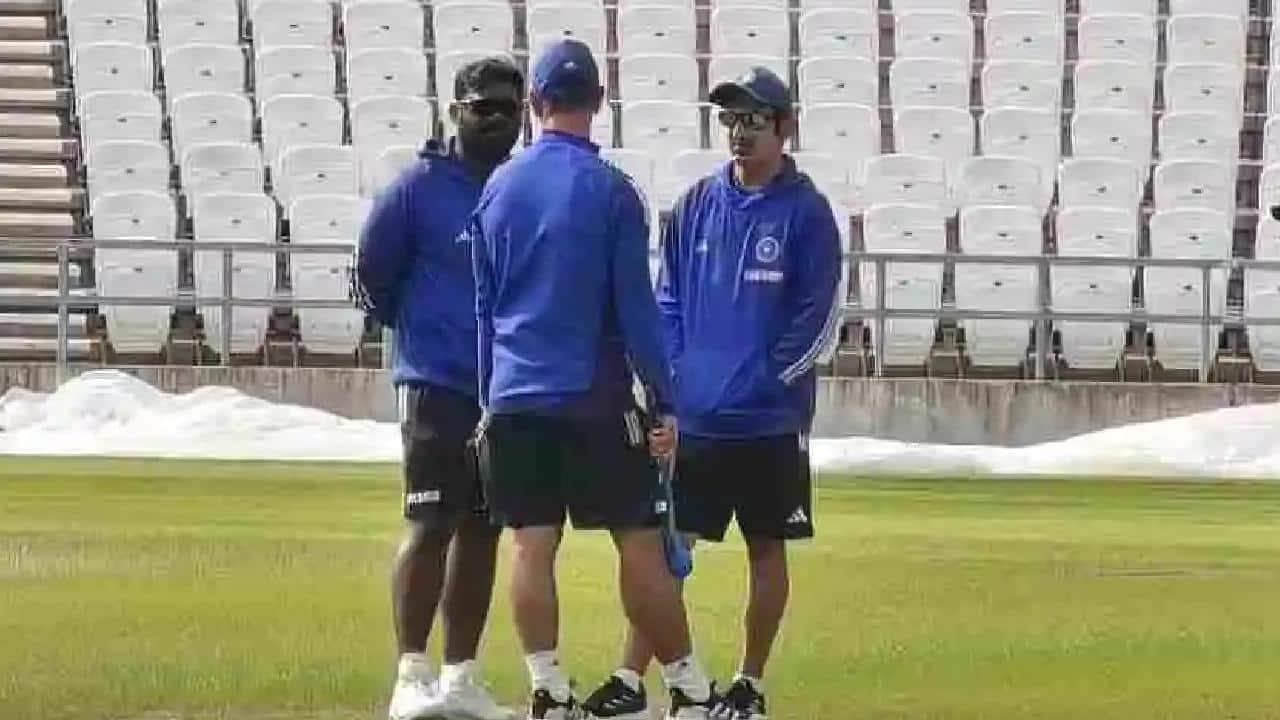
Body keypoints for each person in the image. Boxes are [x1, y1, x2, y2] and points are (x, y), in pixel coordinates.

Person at [469, 38, 719, 720]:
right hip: (593, 396)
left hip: (516, 393)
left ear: (534, 102)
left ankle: (547, 687)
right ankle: (689, 687)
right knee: (639, 542)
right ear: (599, 102)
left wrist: (489, 398)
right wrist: (664, 398)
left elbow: (484, 307)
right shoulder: (612, 192)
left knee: (531, 545)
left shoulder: (498, 189)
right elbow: (637, 311)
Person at [583, 67, 842, 720]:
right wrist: (675, 382)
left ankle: (749, 683)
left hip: (769, 422)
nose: (739, 132)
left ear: (784, 127)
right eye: (730, 119)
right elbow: (667, 300)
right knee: (668, 552)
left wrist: (764, 380)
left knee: (767, 548)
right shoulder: (695, 204)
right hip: (697, 421)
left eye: (753, 120)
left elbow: (816, 318)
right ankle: (633, 678)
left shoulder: (807, 214)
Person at [356, 56, 526, 720]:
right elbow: (371, 275)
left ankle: (460, 679)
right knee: (431, 523)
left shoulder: (521, 187)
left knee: (483, 531)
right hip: (434, 383)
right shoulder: (417, 188)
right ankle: (410, 675)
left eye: (509, 109)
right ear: (455, 111)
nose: (497, 119)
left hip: (501, 390)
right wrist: (419, 332)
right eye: (483, 107)